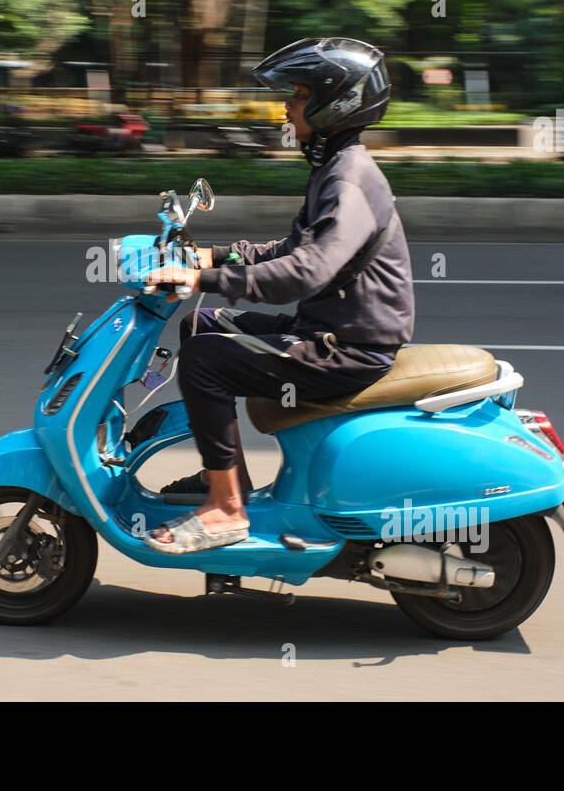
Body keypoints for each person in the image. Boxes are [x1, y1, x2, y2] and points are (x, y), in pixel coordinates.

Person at [142, 37, 415, 554]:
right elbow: (290, 248)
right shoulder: (335, 169)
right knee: (200, 327)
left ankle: (226, 511)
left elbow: (308, 271)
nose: (286, 105)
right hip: (332, 332)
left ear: (333, 103)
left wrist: (204, 282)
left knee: (203, 359)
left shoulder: (349, 178)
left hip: (347, 348)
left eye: (298, 94)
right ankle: (227, 479)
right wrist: (212, 258)